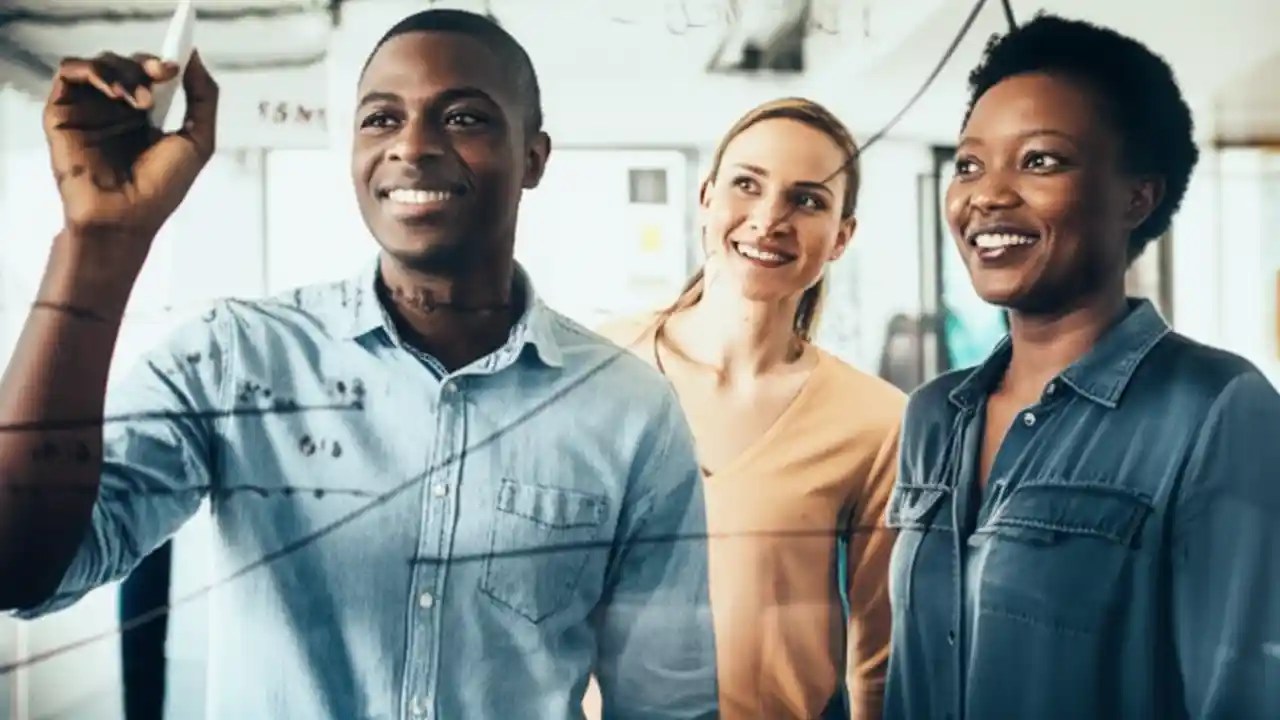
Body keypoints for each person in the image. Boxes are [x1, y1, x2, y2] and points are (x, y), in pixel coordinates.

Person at [0, 9, 719, 719]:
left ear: (533, 157)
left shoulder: (629, 411)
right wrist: (97, 245)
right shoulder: (237, 359)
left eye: (464, 118)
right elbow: (21, 571)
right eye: (380, 119)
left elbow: (666, 704)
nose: (412, 145)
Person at [883, 14, 1280, 720]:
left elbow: (1244, 689)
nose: (988, 194)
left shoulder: (1216, 408)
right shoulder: (933, 417)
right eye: (970, 163)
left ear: (1138, 195)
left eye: (1040, 161)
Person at [592, 97, 906, 719]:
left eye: (808, 200)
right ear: (706, 199)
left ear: (841, 237)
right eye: (747, 185)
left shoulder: (876, 421)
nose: (769, 219)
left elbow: (879, 657)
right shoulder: (593, 367)